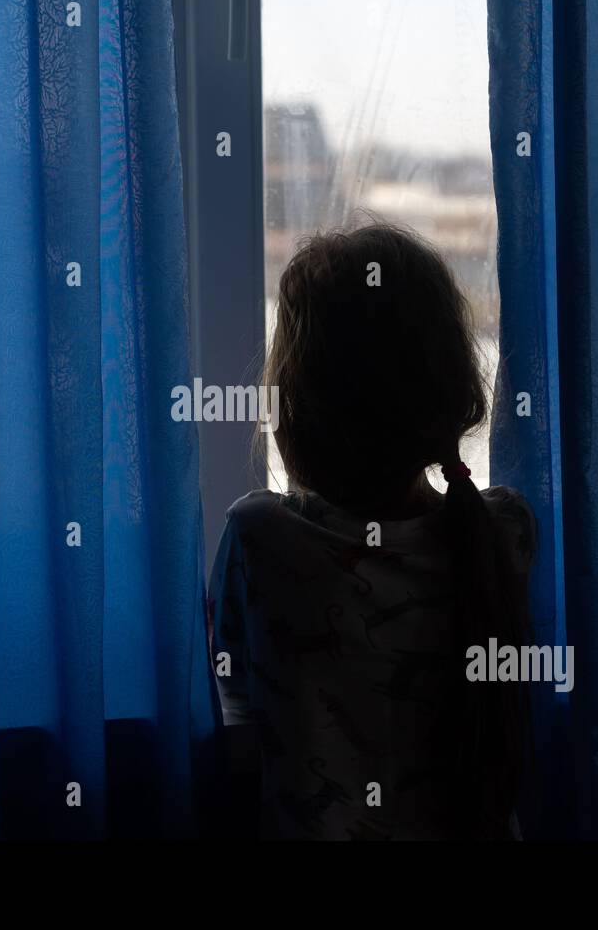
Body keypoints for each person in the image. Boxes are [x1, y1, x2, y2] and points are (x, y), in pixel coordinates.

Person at [207, 222, 536, 839]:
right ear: (450, 387)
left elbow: (237, 729)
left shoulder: (258, 537)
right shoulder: (504, 531)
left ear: (297, 404)